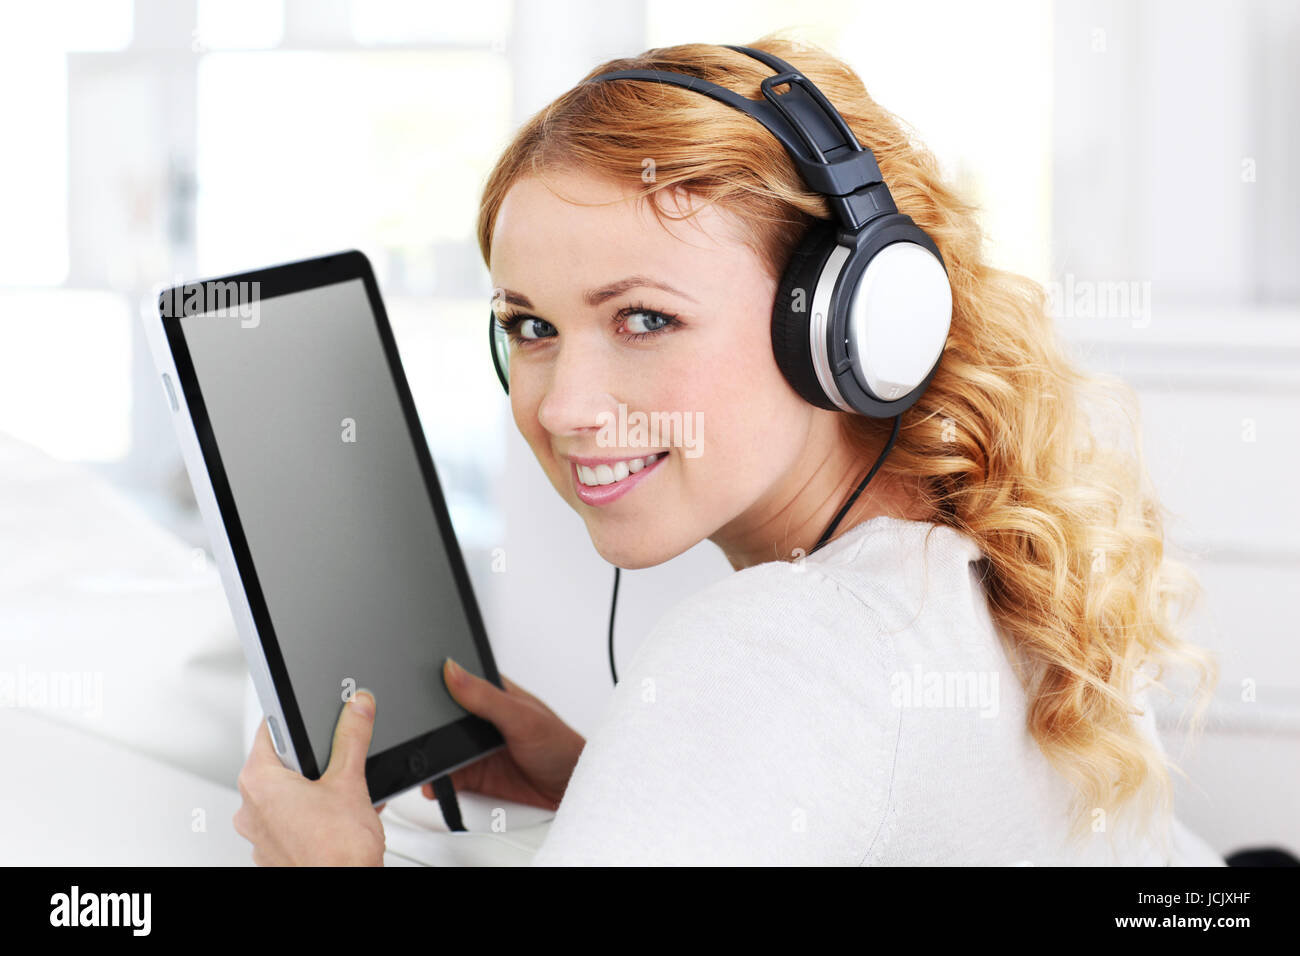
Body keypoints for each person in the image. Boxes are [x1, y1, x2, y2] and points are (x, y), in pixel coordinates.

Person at [234, 34, 1224, 865]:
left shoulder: (778, 648)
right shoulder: (983, 561)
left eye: (645, 318)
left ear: (847, 325)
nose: (565, 408)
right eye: (529, 326)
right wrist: (623, 781)